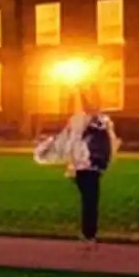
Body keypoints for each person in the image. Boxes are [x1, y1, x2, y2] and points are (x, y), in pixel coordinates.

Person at [34, 87, 120, 250]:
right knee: (90, 200)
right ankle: (89, 235)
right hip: (85, 168)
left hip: (92, 167)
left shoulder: (101, 122)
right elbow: (66, 143)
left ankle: (89, 235)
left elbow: (108, 141)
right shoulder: (80, 122)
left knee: (91, 201)